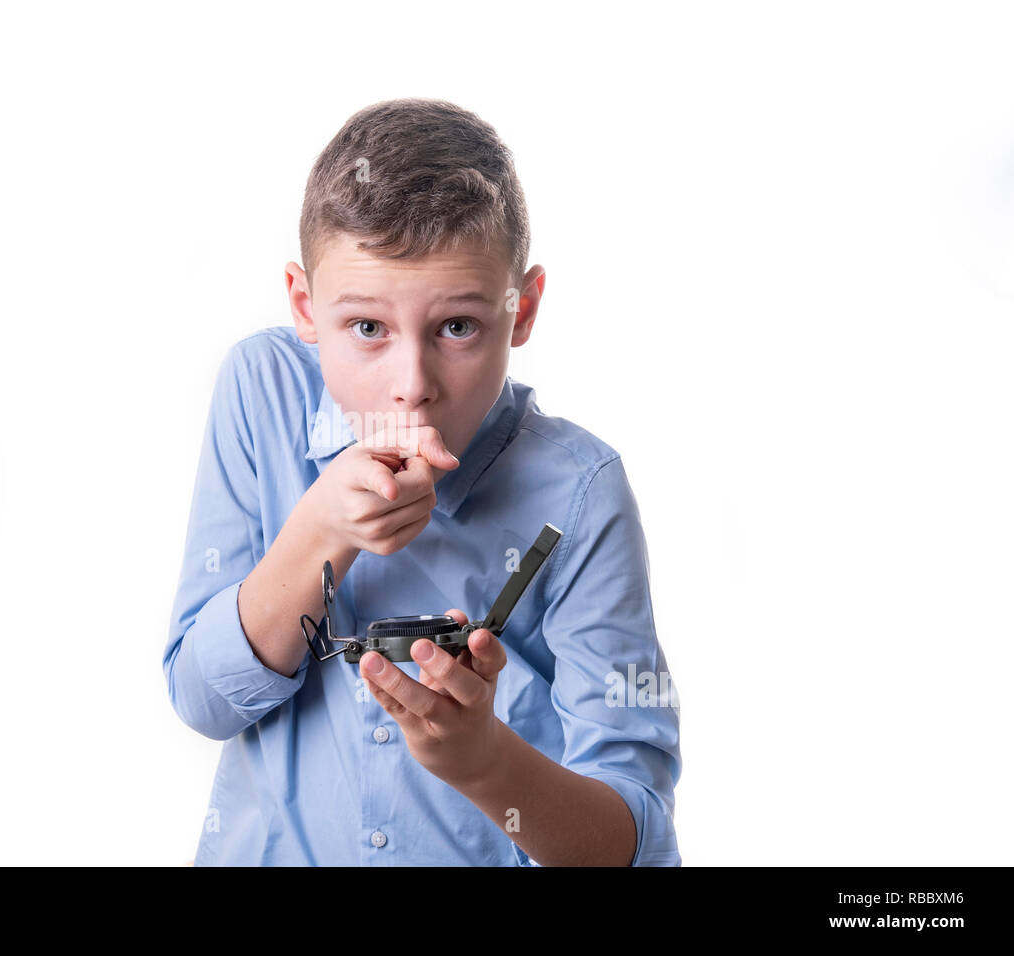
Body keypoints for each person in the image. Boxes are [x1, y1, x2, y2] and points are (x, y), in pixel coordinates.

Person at [163, 98, 682, 866]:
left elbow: (632, 842)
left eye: (458, 327)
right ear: (306, 307)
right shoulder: (261, 389)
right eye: (367, 328)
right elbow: (201, 700)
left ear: (522, 308)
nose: (411, 386)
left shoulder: (580, 492)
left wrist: (485, 765)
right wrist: (315, 534)